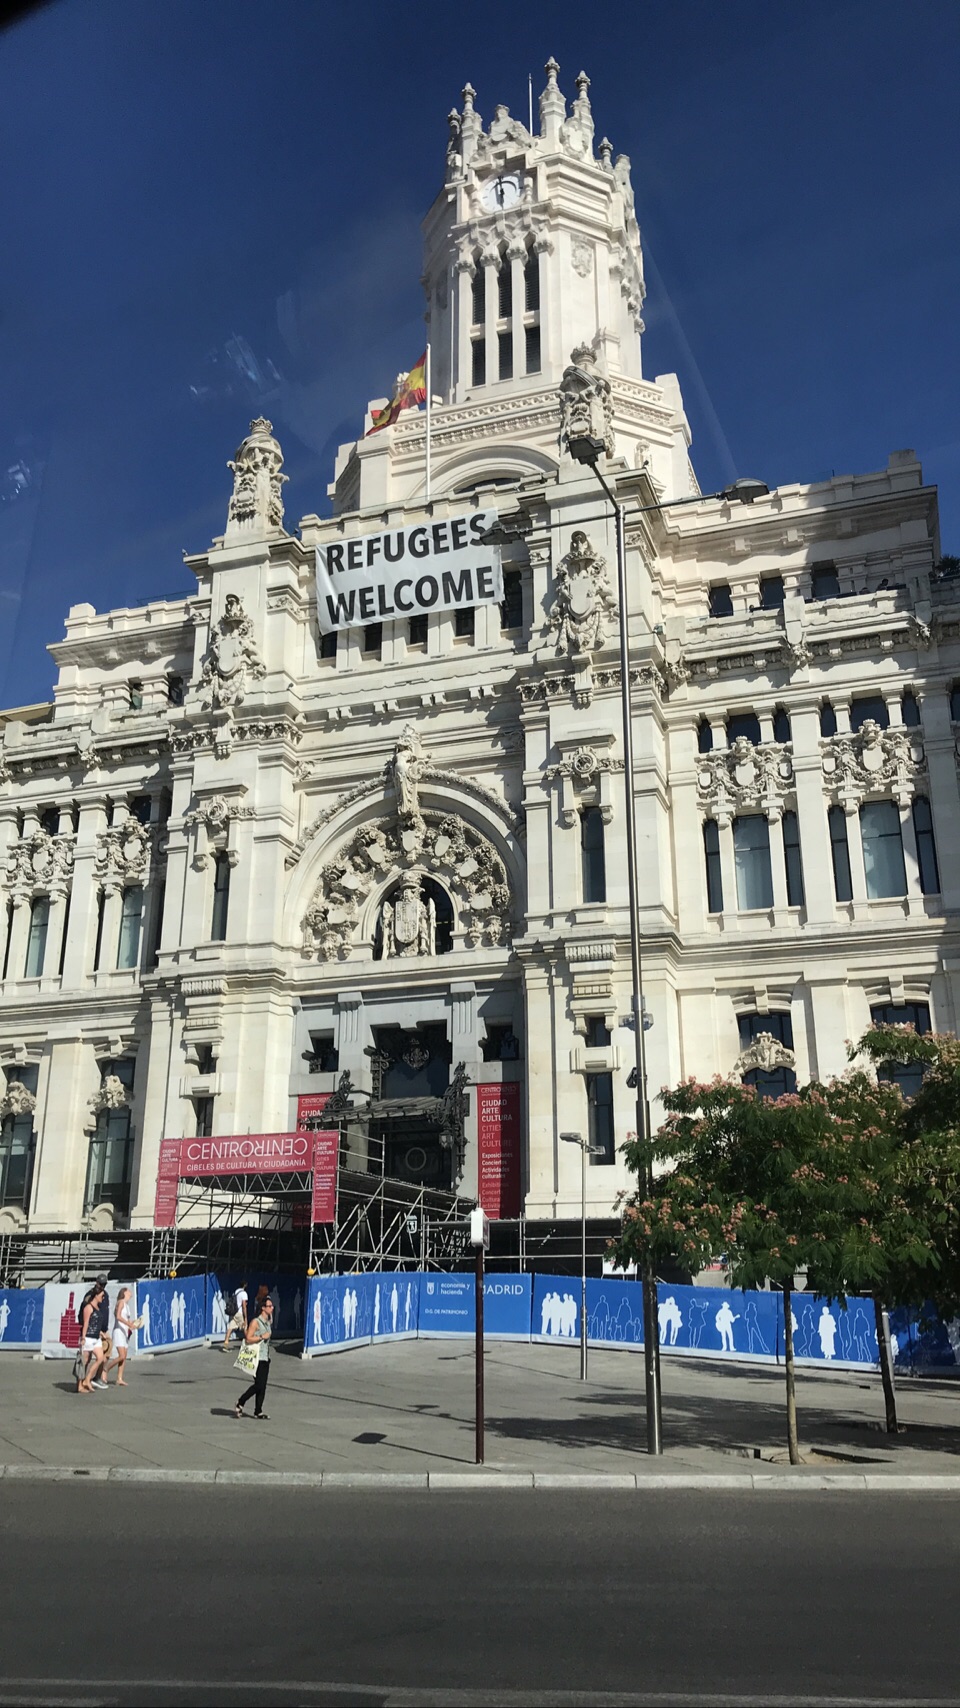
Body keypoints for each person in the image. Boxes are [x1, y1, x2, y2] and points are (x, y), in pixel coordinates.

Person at [235, 1296, 273, 1419]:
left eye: (272, 1306)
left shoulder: (267, 1321)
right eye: (269, 1306)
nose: (272, 1308)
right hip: (257, 1357)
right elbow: (248, 1338)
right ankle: (241, 1401)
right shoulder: (256, 1322)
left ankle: (258, 1411)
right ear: (263, 1308)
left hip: (265, 1357)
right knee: (259, 1385)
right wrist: (261, 1337)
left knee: (263, 1386)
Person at [77, 1283, 107, 1393]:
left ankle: (87, 1379)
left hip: (96, 1337)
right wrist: (83, 1338)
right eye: (102, 1296)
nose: (103, 1298)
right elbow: (86, 1323)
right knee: (85, 1361)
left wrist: (101, 1332)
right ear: (96, 1295)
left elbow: (95, 1323)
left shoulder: (98, 1307)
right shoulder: (88, 1307)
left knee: (100, 1358)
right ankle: (80, 1385)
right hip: (88, 1337)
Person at [105, 1286, 137, 1386]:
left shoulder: (126, 1305)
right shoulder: (121, 1302)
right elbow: (118, 1316)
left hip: (124, 1331)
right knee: (121, 1355)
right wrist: (128, 1324)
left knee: (124, 1357)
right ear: (124, 1293)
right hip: (119, 1331)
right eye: (128, 1291)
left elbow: (126, 1319)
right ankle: (106, 1368)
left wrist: (133, 1324)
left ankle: (119, 1378)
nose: (130, 1292)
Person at [220, 1279, 248, 1351]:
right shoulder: (244, 1293)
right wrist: (245, 1317)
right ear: (245, 1285)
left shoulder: (236, 1291)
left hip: (234, 1313)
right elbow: (244, 1306)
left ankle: (225, 1344)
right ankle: (249, 1343)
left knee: (230, 1327)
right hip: (239, 1313)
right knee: (245, 1327)